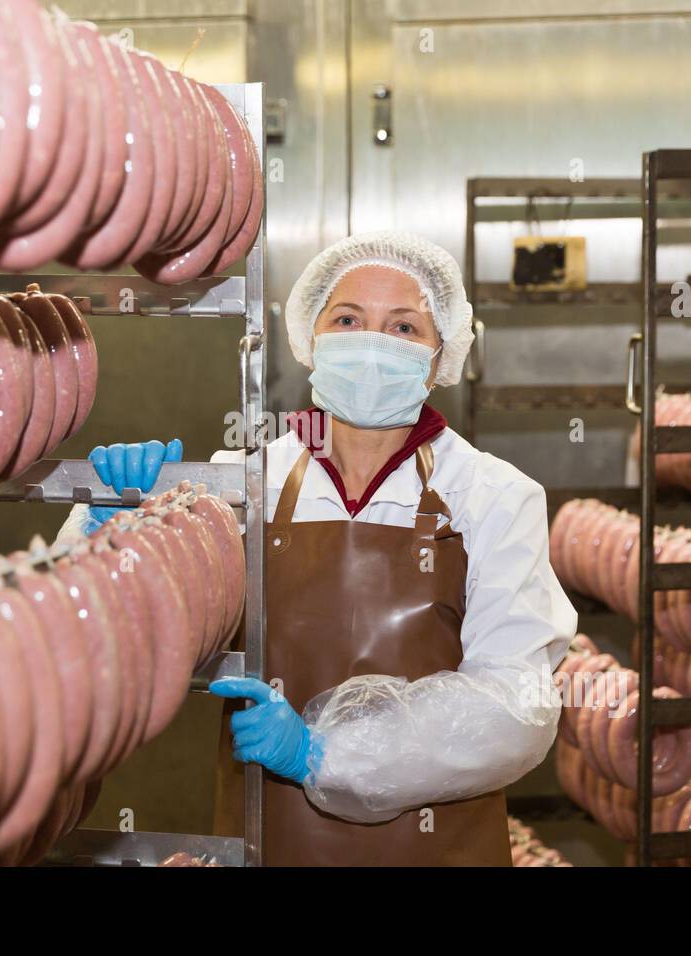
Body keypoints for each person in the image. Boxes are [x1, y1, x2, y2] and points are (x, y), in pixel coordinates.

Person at [65, 231, 576, 866]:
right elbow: (126, 639)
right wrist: (106, 524)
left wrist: (324, 754)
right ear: (311, 335)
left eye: (404, 328)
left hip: (440, 846)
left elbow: (514, 703)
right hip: (270, 836)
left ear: (443, 351)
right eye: (348, 319)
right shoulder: (243, 483)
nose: (373, 344)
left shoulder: (493, 495)